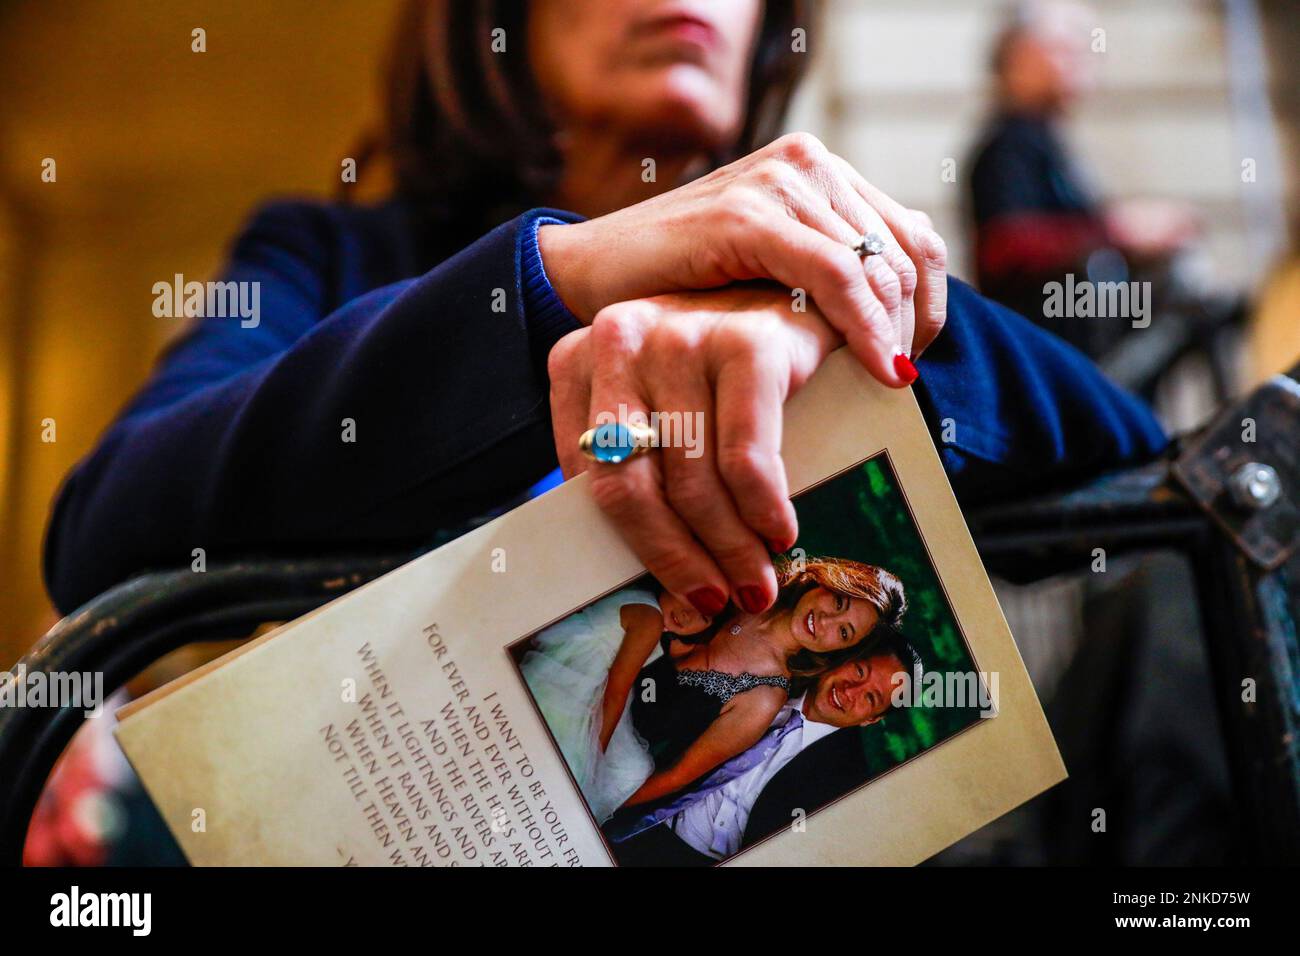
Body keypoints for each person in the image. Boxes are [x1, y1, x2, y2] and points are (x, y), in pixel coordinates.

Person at [44, 0, 1167, 638]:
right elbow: (105, 525)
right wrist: (558, 278)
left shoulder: (829, 247)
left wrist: (837, 330)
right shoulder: (324, 252)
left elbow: (1149, 471)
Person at [521, 556, 904, 821]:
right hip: (577, 673)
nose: (826, 619)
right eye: (837, 600)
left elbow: (676, 777)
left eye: (843, 631)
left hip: (597, 756)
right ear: (824, 581)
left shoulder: (763, 696)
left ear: (842, 648)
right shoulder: (745, 589)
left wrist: (586, 803)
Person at [969, 0, 1200, 353]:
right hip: (1050, 351)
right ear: (1019, 58)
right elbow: (1003, 249)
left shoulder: (1044, 141)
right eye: (1066, 48)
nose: (1085, 59)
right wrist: (1120, 231)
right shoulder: (1009, 146)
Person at [607, 631, 917, 865]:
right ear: (845, 658)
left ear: (871, 720)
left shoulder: (848, 782)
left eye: (870, 698)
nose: (850, 691)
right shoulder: (765, 678)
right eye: (859, 671)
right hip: (646, 822)